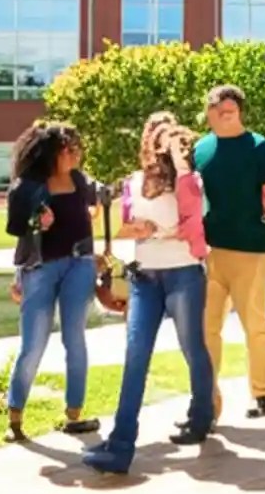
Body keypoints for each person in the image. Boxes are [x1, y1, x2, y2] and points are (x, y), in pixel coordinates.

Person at [83, 114, 217, 473]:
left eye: (167, 134)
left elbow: (195, 219)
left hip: (184, 274)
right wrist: (136, 229)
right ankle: (120, 445)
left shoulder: (189, 180)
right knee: (135, 356)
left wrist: (178, 158)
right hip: (144, 277)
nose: (158, 141)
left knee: (193, 348)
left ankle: (202, 416)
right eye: (154, 134)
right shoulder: (133, 182)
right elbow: (125, 229)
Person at [193, 85, 265, 422]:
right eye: (218, 108)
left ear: (240, 111)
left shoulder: (260, 148)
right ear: (208, 112)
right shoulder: (200, 149)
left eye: (231, 108)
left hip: (251, 250)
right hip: (208, 252)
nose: (224, 113)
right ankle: (208, 400)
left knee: (256, 324)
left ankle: (263, 391)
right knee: (206, 329)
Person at [3, 121, 101, 443]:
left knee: (75, 338)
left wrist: (101, 204)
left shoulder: (80, 181)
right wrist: (36, 221)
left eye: (77, 148)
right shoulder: (27, 187)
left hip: (79, 265)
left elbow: (100, 198)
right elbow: (16, 228)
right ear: (52, 152)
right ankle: (15, 418)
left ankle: (74, 415)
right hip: (40, 268)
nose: (76, 154)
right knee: (33, 344)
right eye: (69, 149)